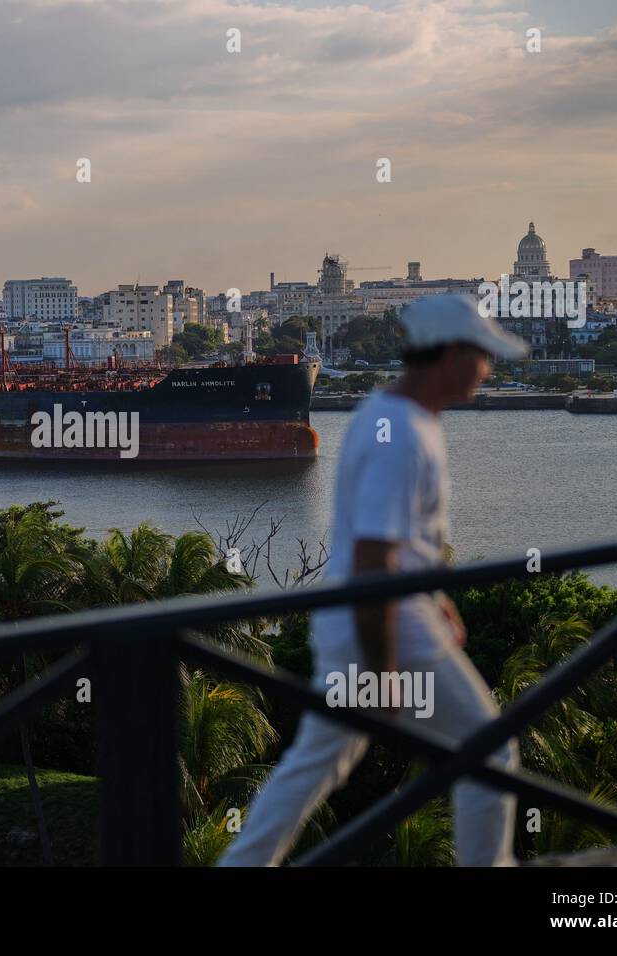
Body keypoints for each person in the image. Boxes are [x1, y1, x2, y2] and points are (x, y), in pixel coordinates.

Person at [219, 295, 528, 867]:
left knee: (317, 763)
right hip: (390, 631)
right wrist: (385, 670)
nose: (488, 370)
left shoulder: (391, 416)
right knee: (490, 748)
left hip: (365, 623)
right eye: (482, 356)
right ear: (452, 354)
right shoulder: (403, 433)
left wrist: (438, 601)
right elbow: (374, 557)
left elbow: (403, 547)